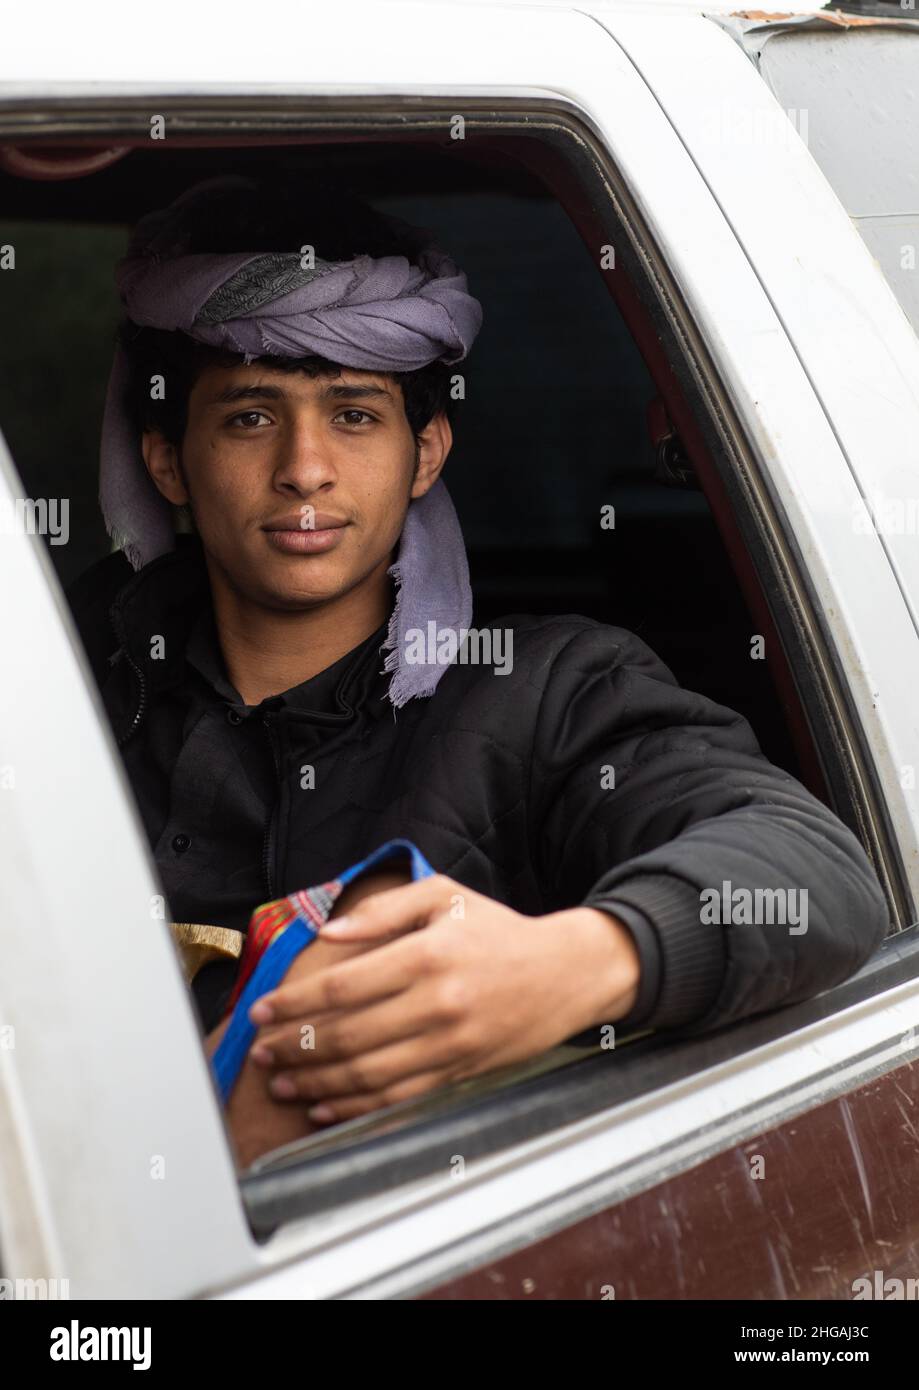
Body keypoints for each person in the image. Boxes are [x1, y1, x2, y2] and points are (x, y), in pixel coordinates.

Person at [68, 174, 888, 1169]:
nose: (306, 467)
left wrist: (573, 963)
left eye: (355, 414)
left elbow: (814, 872)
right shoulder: (61, 683)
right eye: (250, 416)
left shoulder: (547, 691)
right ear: (167, 461)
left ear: (426, 453)